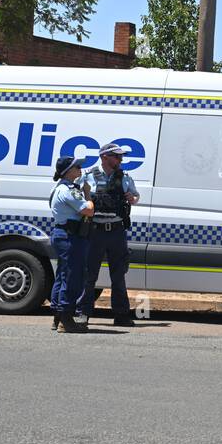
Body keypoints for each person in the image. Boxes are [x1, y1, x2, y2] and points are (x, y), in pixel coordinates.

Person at [80, 143, 140, 327]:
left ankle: (121, 315)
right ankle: (82, 313)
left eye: (121, 157)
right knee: (89, 275)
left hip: (116, 231)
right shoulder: (88, 176)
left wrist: (132, 198)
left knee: (118, 274)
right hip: (95, 231)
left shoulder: (125, 177)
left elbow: (136, 197)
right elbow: (78, 199)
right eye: (117, 156)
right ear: (104, 157)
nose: (121, 160)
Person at [48, 156, 94, 333]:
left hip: (64, 234)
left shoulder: (59, 188)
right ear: (68, 171)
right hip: (70, 237)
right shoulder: (68, 190)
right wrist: (88, 194)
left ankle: (58, 316)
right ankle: (66, 320)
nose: (80, 168)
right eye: (77, 166)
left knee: (63, 275)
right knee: (72, 277)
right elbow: (88, 210)